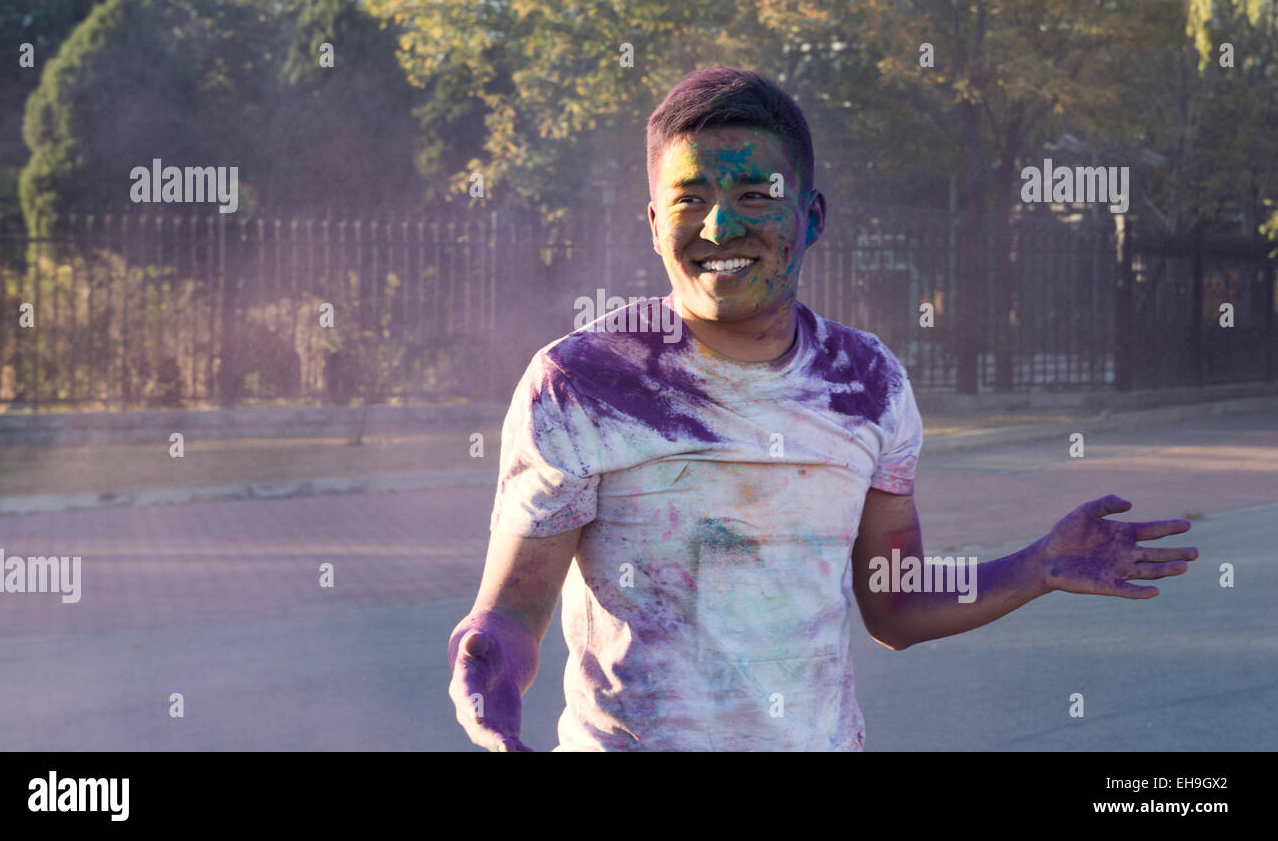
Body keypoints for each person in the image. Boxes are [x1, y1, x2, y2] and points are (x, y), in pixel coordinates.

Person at [446, 66, 1198, 751]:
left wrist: (1037, 566)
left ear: (811, 216)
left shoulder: (868, 384)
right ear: (652, 223)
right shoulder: (581, 383)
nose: (719, 228)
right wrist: (488, 675)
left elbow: (895, 605)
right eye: (691, 200)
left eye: (754, 198)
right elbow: (512, 613)